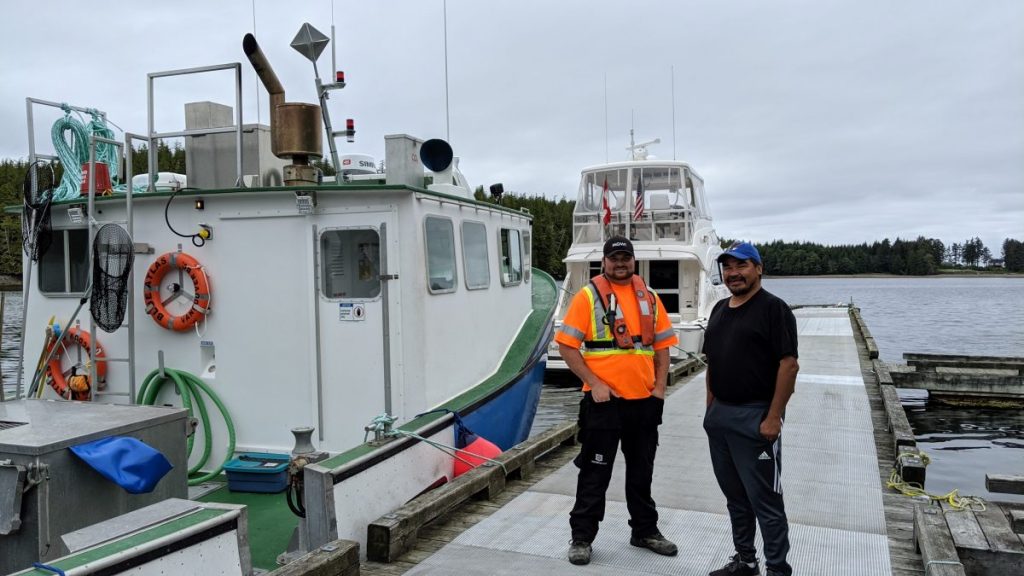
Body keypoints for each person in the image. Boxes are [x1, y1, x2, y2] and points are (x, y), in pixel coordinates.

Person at [555, 236, 679, 566]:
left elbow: (663, 346)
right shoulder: (587, 297)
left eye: (626, 257)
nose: (620, 263)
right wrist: (593, 382)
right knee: (595, 473)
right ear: (605, 262)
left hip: (644, 402)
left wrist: (660, 390)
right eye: (614, 258)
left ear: (634, 261)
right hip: (603, 403)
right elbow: (566, 346)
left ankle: (645, 531)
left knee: (642, 471)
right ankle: (582, 537)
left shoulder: (650, 298)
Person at [702, 241, 799, 576]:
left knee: (766, 501)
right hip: (720, 418)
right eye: (727, 267)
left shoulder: (774, 309)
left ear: (758, 268)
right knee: (735, 497)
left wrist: (773, 417)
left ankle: (777, 569)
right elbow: (712, 362)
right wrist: (709, 408)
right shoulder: (718, 310)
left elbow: (788, 366)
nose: (733, 273)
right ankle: (745, 561)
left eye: (741, 266)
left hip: (755, 417)